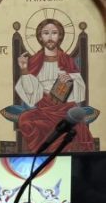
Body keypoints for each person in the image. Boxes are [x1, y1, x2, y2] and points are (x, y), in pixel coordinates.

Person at [13, 18, 94, 152]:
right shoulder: (33, 61)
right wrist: (24, 70)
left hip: (64, 108)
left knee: (72, 126)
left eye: (54, 33)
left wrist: (70, 79)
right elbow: (31, 95)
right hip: (43, 108)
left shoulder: (67, 60)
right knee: (24, 119)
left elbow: (80, 90)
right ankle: (39, 155)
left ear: (60, 36)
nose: (50, 37)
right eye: (46, 33)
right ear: (40, 37)